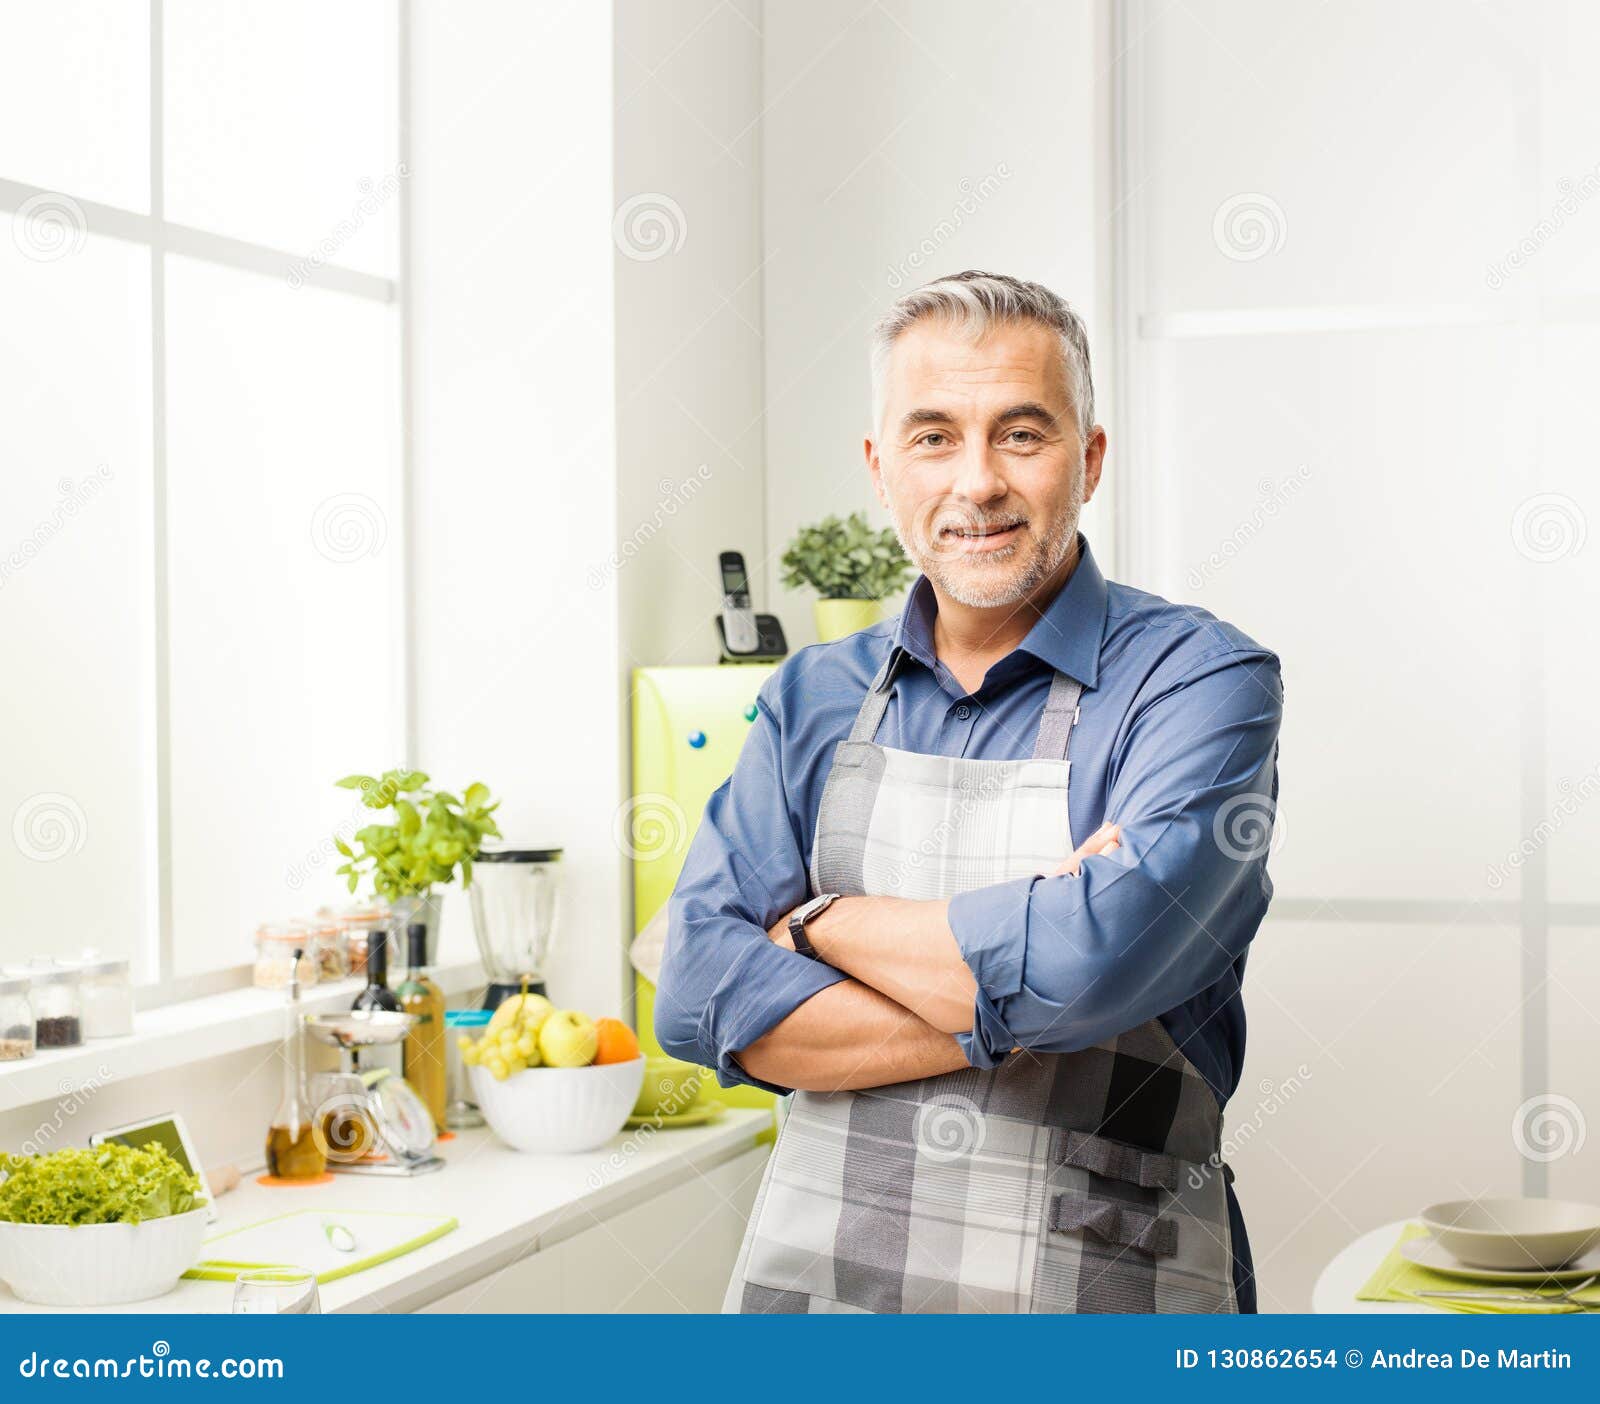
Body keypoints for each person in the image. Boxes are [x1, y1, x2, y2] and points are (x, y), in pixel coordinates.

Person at [655, 270, 1282, 1314]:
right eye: (934, 434)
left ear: (1087, 460)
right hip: (822, 1301)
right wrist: (1028, 979)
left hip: (1108, 1296)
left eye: (1022, 435)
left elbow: (1091, 964)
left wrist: (815, 927)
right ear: (880, 466)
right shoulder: (814, 694)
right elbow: (694, 994)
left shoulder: (1197, 680)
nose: (977, 481)